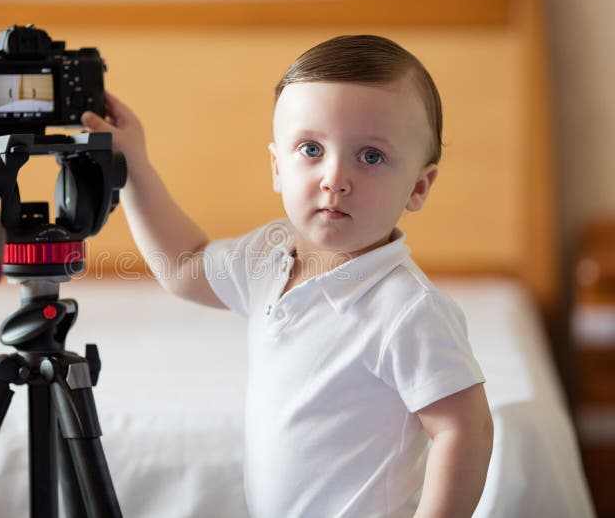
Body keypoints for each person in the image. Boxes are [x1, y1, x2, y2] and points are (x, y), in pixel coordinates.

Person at [82, 34, 494, 518]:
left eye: (371, 156)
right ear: (277, 167)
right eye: (312, 149)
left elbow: (464, 429)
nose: (335, 178)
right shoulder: (267, 255)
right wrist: (133, 168)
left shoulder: (405, 308)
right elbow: (186, 266)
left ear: (419, 186)